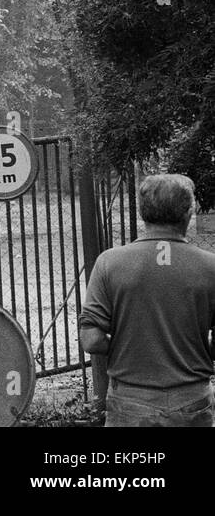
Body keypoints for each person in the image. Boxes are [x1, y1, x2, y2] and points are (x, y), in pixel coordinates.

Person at [78, 173, 215, 427]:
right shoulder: (211, 267)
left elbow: (91, 339)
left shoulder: (109, 263)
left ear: (142, 214)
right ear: (188, 213)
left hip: (130, 400)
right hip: (192, 399)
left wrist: (133, 345)